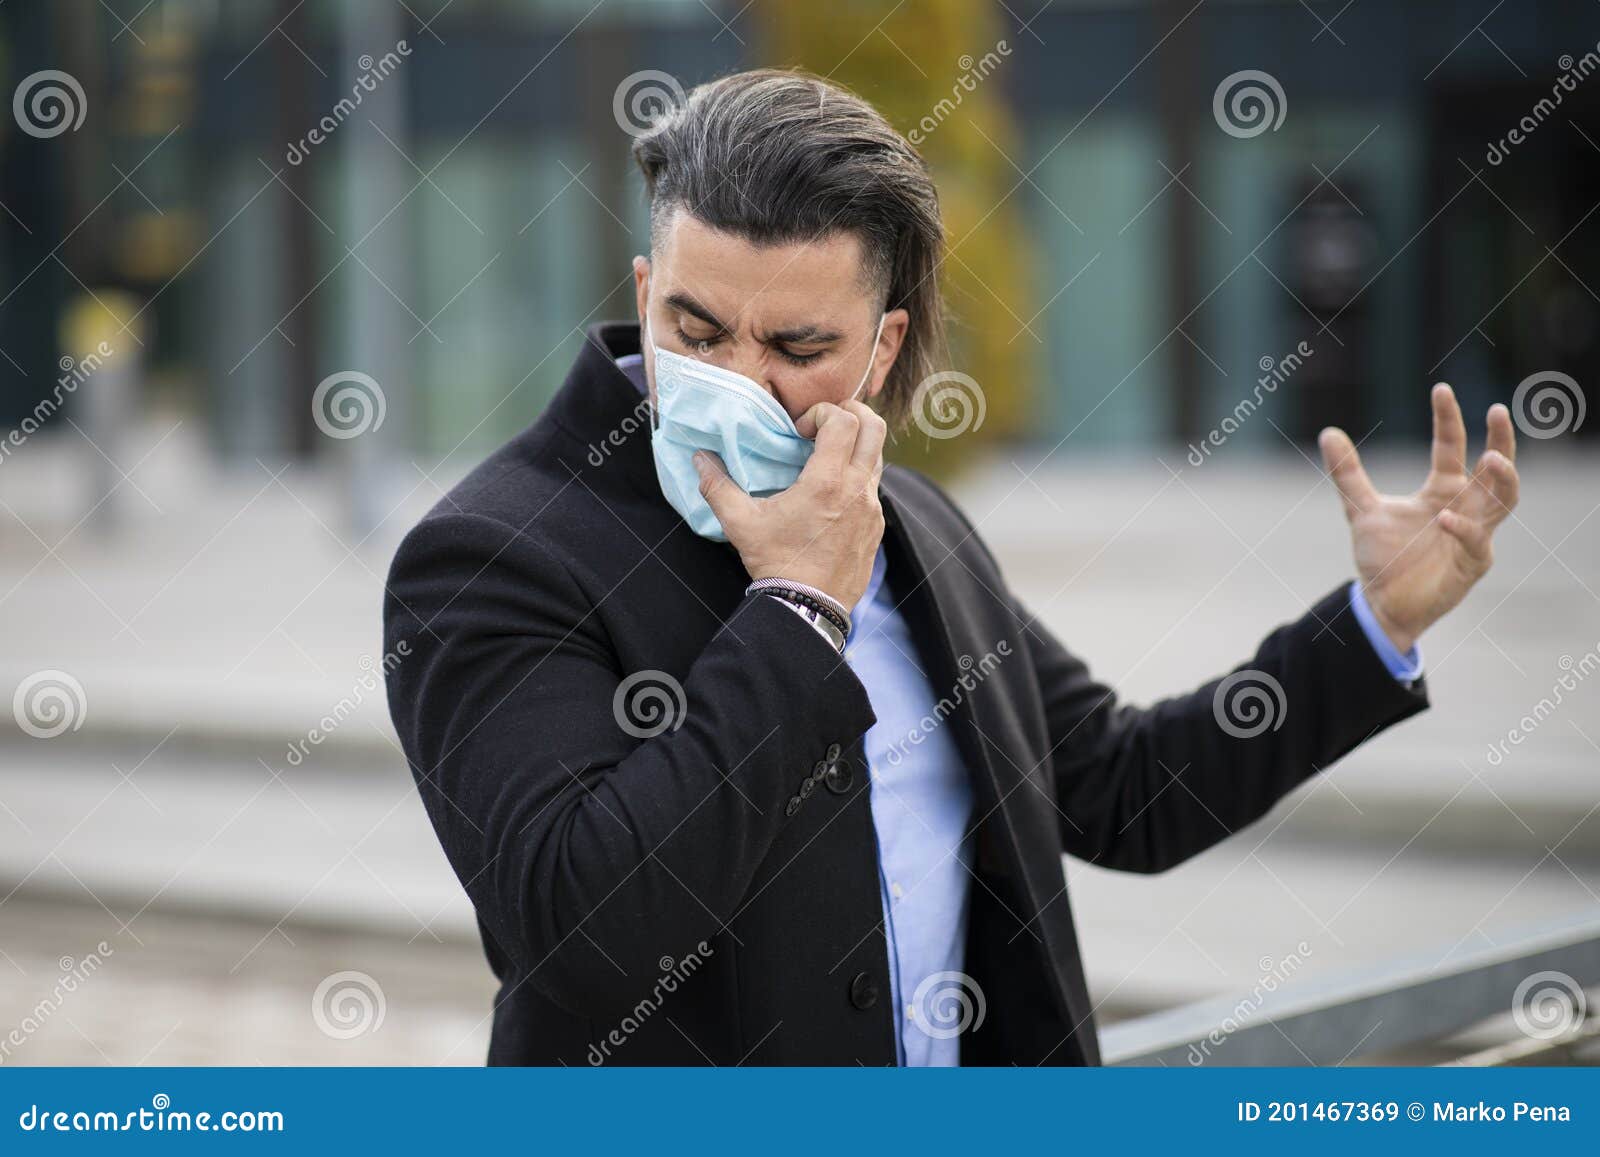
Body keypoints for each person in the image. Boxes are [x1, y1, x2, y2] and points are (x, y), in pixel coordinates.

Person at [382, 69, 1520, 1066]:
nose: (735, 381)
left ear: (881, 344)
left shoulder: (914, 524)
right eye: (695, 329)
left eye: (795, 349)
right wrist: (794, 608)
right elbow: (587, 932)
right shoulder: (491, 556)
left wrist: (1372, 619)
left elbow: (1121, 790)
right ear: (643, 293)